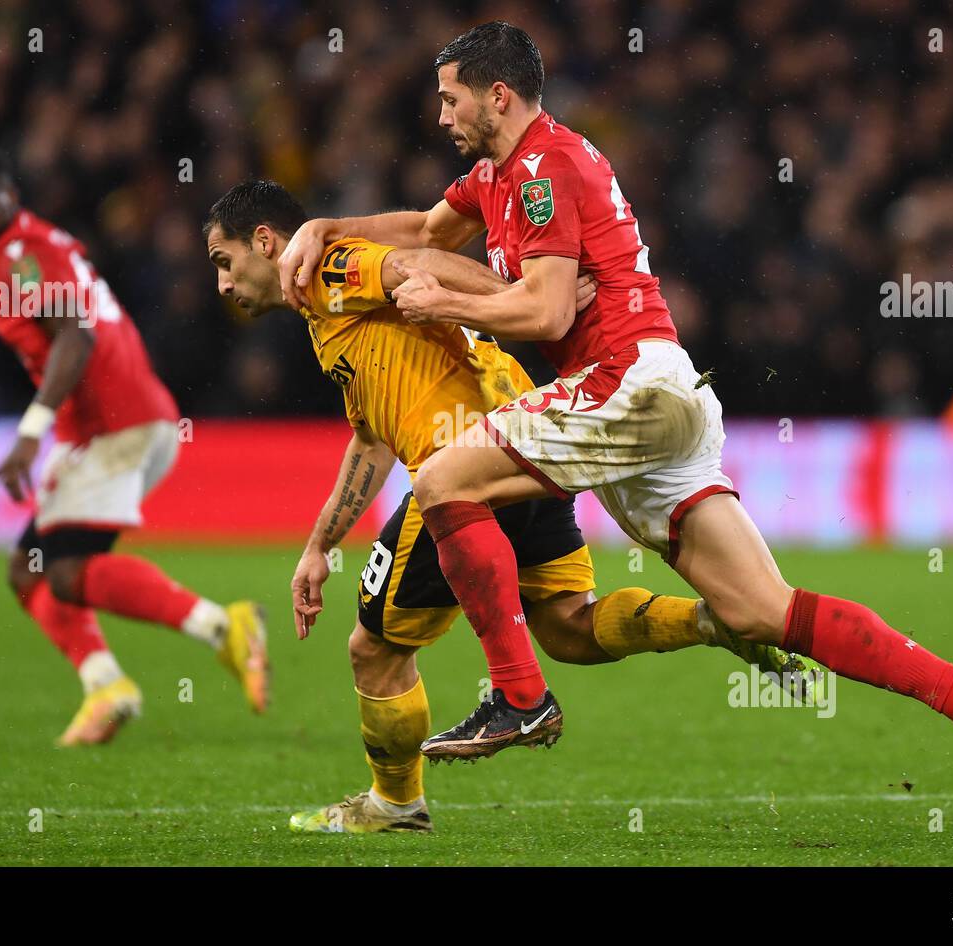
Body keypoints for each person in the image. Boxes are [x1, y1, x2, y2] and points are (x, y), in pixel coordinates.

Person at [275, 23, 953, 808]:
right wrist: (327, 227)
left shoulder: (545, 166)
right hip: (661, 396)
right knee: (760, 610)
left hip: (626, 380)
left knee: (440, 481)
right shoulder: (495, 177)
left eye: (450, 98)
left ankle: (519, 697)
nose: (441, 116)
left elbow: (540, 313)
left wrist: (449, 298)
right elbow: (428, 230)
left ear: (496, 96)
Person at [203, 179, 816, 832]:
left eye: (223, 261)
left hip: (466, 469)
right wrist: (320, 546)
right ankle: (714, 621)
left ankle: (396, 802)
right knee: (566, 627)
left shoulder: (329, 266)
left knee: (373, 651)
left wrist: (524, 300)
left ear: (264, 242)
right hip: (523, 444)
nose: (222, 284)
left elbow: (419, 263)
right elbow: (371, 438)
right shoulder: (327, 320)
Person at [0, 147, 268, 746]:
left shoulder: (22, 251)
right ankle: (106, 684)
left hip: (114, 425)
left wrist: (27, 435)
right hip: (111, 425)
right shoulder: (20, 254)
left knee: (63, 571)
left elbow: (74, 338)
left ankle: (224, 626)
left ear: (9, 194)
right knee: (28, 570)